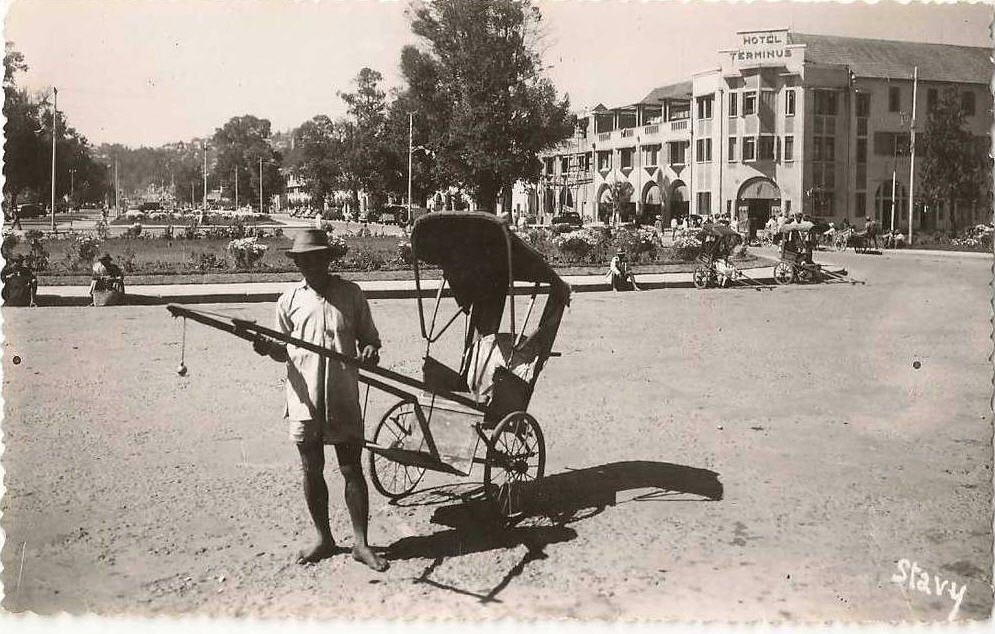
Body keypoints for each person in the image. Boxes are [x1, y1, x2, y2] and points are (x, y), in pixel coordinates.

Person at [252, 229, 388, 571]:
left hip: (342, 395)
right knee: (311, 469)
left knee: (350, 469)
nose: (311, 264)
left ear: (329, 259)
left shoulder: (352, 294)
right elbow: (282, 349)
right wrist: (268, 348)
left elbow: (370, 340)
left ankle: (360, 543)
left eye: (317, 257)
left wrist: (370, 350)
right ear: (297, 263)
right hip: (304, 398)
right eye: (304, 259)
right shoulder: (288, 300)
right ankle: (324, 538)